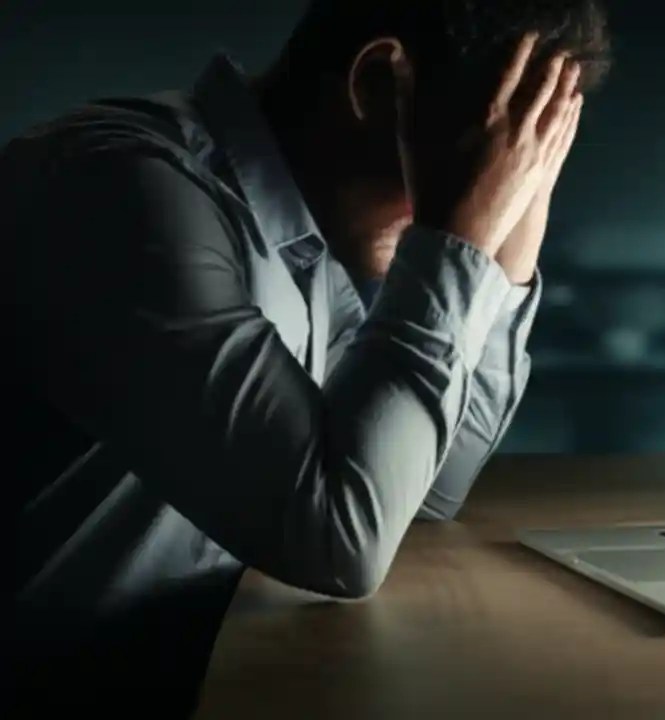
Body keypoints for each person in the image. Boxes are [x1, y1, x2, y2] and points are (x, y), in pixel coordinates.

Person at [3, 0, 611, 714]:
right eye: (490, 149)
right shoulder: (120, 189)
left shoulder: (300, 237)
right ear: (377, 86)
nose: (499, 182)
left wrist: (514, 225)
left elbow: (429, 489)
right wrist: (458, 242)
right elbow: (341, 543)